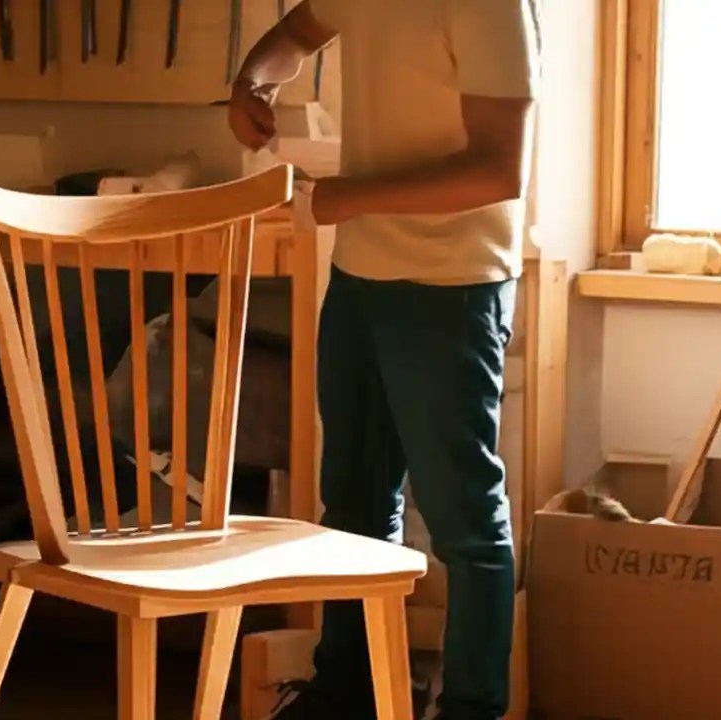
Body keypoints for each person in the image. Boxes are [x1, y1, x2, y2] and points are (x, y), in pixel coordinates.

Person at [227, 1, 540, 718]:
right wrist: (253, 82)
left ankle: (472, 707)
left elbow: (497, 169)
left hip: (451, 288)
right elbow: (301, 30)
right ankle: (348, 691)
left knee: (464, 521)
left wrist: (344, 196)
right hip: (361, 278)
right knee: (355, 504)